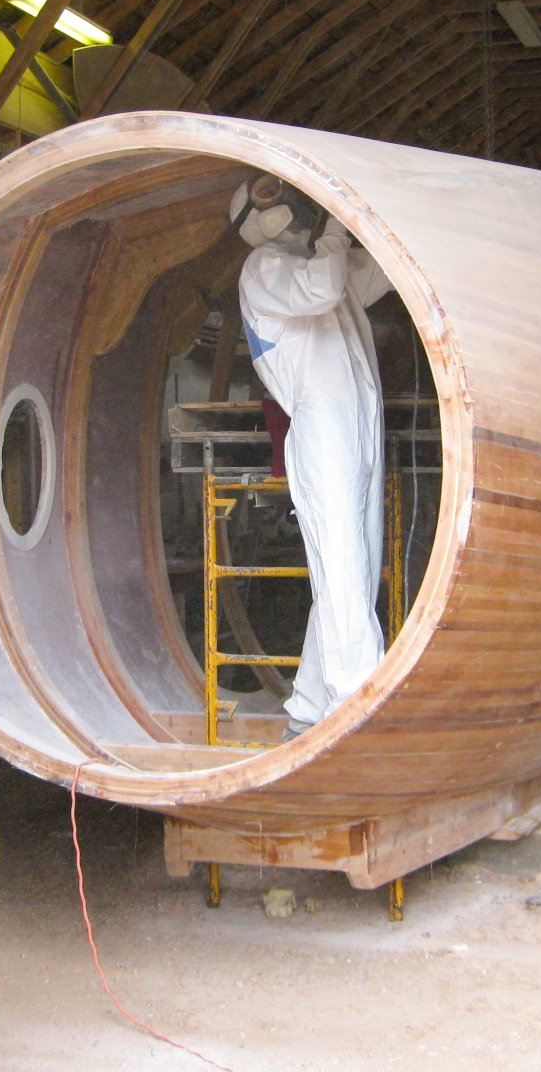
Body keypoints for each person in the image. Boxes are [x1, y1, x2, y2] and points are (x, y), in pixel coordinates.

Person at [229, 174, 394, 739]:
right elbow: (324, 288)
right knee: (344, 562)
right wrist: (335, 229)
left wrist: (362, 224)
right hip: (323, 426)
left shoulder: (312, 263)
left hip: (357, 421)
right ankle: (356, 704)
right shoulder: (265, 270)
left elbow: (371, 277)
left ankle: (307, 704)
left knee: (354, 568)